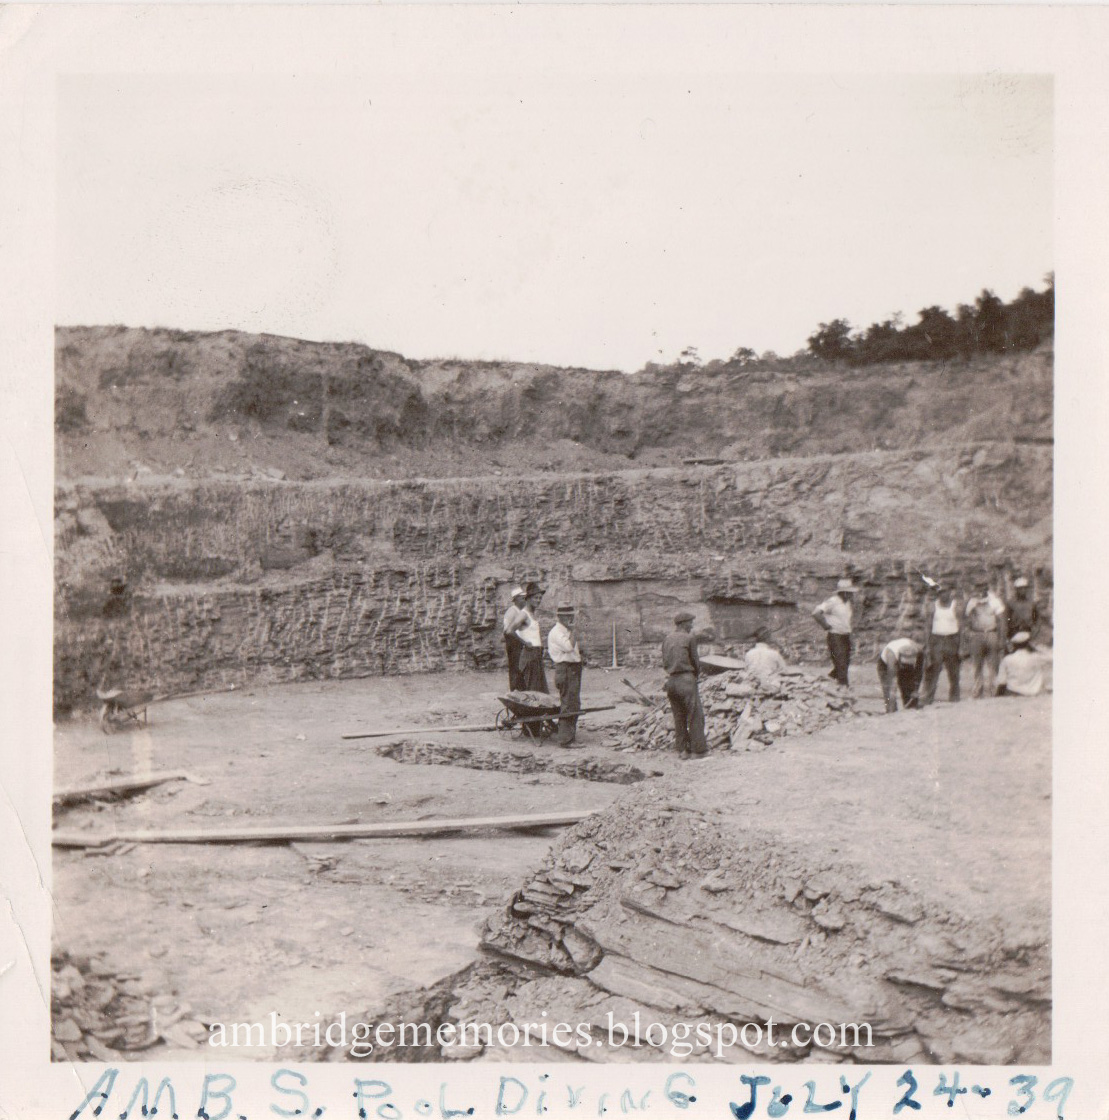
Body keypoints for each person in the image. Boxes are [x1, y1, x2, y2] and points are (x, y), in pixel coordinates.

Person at [661, 609, 708, 759]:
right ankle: (698, 751)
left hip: (671, 681)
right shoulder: (689, 638)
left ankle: (682, 750)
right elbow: (695, 661)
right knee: (695, 715)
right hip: (686, 680)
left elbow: (665, 661)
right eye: (690, 623)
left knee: (678, 716)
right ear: (684, 624)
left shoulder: (667, 638)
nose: (692, 626)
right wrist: (695, 676)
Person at [547, 605, 585, 746]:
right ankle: (565, 740)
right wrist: (575, 630)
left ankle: (569, 736)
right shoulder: (556, 632)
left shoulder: (566, 630)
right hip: (565, 669)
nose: (570, 618)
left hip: (573, 668)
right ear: (559, 617)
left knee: (574, 702)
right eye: (567, 616)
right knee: (568, 703)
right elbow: (569, 647)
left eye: (572, 615)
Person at [920, 586, 962, 704]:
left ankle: (954, 698)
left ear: (950, 592)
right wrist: (927, 645)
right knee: (933, 669)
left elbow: (961, 627)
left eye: (945, 592)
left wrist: (962, 645)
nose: (943, 595)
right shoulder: (933, 606)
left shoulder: (956, 606)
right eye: (940, 592)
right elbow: (928, 626)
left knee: (954, 671)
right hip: (936, 639)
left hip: (952, 639)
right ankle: (928, 698)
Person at [812, 579, 858, 687]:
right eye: (849, 592)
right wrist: (826, 625)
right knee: (841, 663)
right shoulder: (833, 601)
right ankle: (844, 687)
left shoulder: (847, 603)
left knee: (844, 663)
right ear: (843, 592)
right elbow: (816, 613)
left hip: (845, 635)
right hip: (835, 636)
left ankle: (825, 681)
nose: (851, 594)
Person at [963, 581, 1004, 698]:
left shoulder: (995, 601)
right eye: (978, 587)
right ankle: (977, 691)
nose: (980, 589)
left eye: (982, 586)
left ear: (987, 587)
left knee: (993, 664)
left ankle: (994, 691)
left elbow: (1001, 620)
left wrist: (1001, 638)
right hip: (976, 635)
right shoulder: (972, 602)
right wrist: (969, 634)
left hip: (991, 634)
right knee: (977, 664)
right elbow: (967, 619)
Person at [512, 582, 548, 694]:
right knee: (533, 688)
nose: (538, 600)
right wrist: (524, 643)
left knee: (539, 688)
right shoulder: (524, 614)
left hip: (536, 654)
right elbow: (509, 630)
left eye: (540, 598)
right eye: (536, 598)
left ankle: (539, 711)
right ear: (528, 598)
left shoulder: (532, 614)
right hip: (529, 654)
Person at [876, 637, 924, 713]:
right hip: (885, 665)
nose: (905, 667)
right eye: (904, 665)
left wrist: (916, 689)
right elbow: (892, 682)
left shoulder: (919, 651)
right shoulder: (891, 656)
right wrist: (892, 694)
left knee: (909, 686)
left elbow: (919, 672)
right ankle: (891, 711)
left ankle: (911, 709)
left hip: (903, 662)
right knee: (888, 690)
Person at [997, 632, 1045, 697]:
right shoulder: (1037, 658)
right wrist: (1036, 648)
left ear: (1014, 645)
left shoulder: (1007, 659)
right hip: (1033, 692)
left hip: (1014, 692)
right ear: (1029, 644)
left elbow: (1002, 682)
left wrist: (998, 695)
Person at [502, 586, 528, 691]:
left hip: (519, 643)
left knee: (521, 667)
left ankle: (521, 689)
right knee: (515, 668)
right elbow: (507, 630)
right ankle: (515, 690)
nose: (524, 600)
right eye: (522, 598)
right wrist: (521, 640)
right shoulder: (511, 612)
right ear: (516, 599)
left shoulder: (521, 611)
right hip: (514, 643)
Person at [1005, 577, 1040, 646]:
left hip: (1029, 633)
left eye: (1025, 588)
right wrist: (1008, 637)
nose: (1023, 590)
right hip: (1014, 634)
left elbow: (1036, 619)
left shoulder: (1032, 604)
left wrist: (1034, 632)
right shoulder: (1011, 604)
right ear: (1016, 590)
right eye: (1020, 588)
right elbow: (1007, 620)